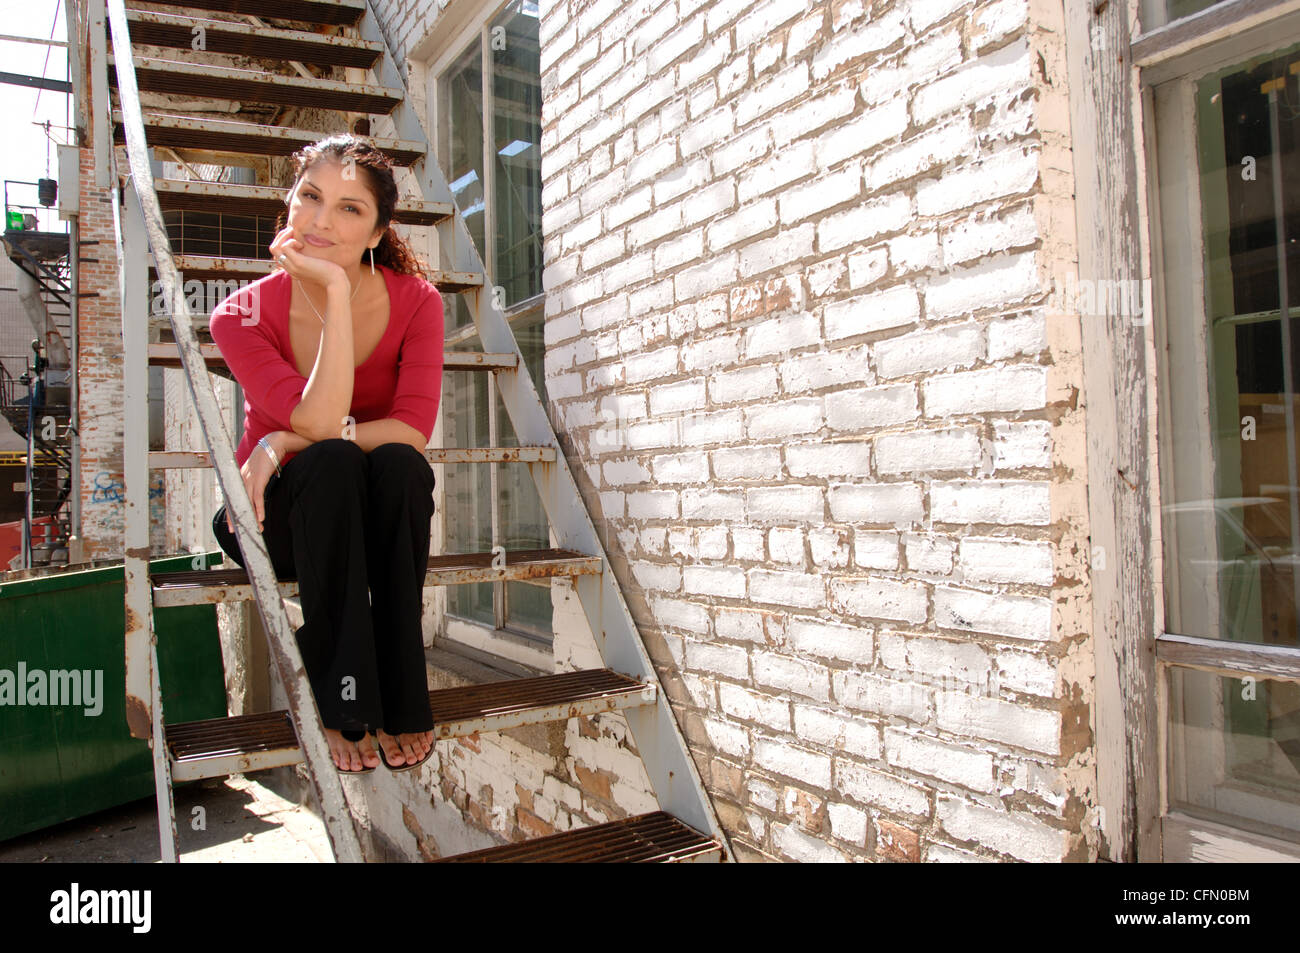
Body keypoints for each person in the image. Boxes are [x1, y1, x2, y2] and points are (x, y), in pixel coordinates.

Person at [208, 134, 444, 775]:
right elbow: (320, 418)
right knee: (335, 462)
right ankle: (343, 700)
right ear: (288, 202)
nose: (318, 220)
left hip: (364, 507)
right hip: (279, 515)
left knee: (399, 468)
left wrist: (280, 440)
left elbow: (411, 432)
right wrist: (336, 295)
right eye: (309, 196)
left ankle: (401, 694)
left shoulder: (418, 303)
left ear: (376, 232)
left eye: (348, 208)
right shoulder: (242, 314)